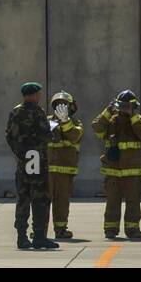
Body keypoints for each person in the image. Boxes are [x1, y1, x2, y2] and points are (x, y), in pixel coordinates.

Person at [5, 82, 58, 250]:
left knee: (23, 199)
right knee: (41, 198)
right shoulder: (37, 111)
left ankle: (22, 237)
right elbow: (46, 134)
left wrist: (20, 153)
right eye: (38, 94)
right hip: (38, 161)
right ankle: (39, 236)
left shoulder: (15, 112)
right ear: (34, 94)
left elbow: (9, 136)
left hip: (24, 162)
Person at [93, 90, 141, 240]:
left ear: (134, 106)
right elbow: (97, 129)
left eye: (127, 106)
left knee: (133, 202)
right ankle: (111, 229)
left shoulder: (140, 120)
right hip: (113, 170)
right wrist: (107, 112)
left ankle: (132, 230)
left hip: (133, 172)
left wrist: (132, 116)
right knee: (112, 201)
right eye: (122, 105)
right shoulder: (111, 121)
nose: (124, 108)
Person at [46, 91, 83, 239]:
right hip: (47, 170)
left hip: (65, 171)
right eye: (58, 105)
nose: (61, 108)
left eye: (64, 105)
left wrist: (65, 121)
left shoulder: (75, 123)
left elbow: (75, 136)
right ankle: (39, 230)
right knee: (42, 201)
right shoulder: (48, 121)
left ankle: (60, 230)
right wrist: (54, 124)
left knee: (62, 201)